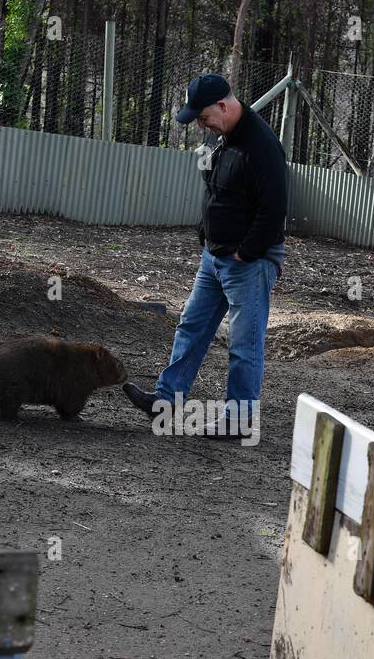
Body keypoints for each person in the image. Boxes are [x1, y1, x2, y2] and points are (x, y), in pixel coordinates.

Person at [123, 72, 287, 441]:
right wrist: (207, 234)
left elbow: (274, 209)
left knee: (244, 344)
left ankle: (239, 420)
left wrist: (247, 252)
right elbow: (218, 192)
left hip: (248, 262)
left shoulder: (262, 146)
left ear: (223, 106)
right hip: (215, 257)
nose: (201, 124)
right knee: (191, 328)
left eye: (203, 117)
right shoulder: (224, 138)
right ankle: (166, 401)